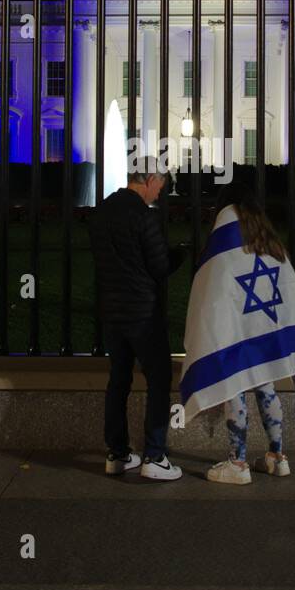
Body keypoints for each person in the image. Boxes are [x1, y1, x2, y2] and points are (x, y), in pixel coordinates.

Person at [180, 183, 295, 485]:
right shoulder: (267, 240)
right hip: (266, 329)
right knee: (266, 384)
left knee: (235, 383)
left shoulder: (222, 243)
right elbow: (287, 289)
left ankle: (237, 462)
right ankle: (277, 456)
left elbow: (210, 293)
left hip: (236, 331)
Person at [87, 157, 188, 480]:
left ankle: (117, 453)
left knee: (119, 380)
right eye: (161, 184)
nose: (161, 191)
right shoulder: (143, 217)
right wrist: (181, 253)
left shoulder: (101, 211)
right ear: (148, 179)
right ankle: (154, 456)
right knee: (158, 381)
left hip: (111, 311)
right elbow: (159, 267)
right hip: (143, 312)